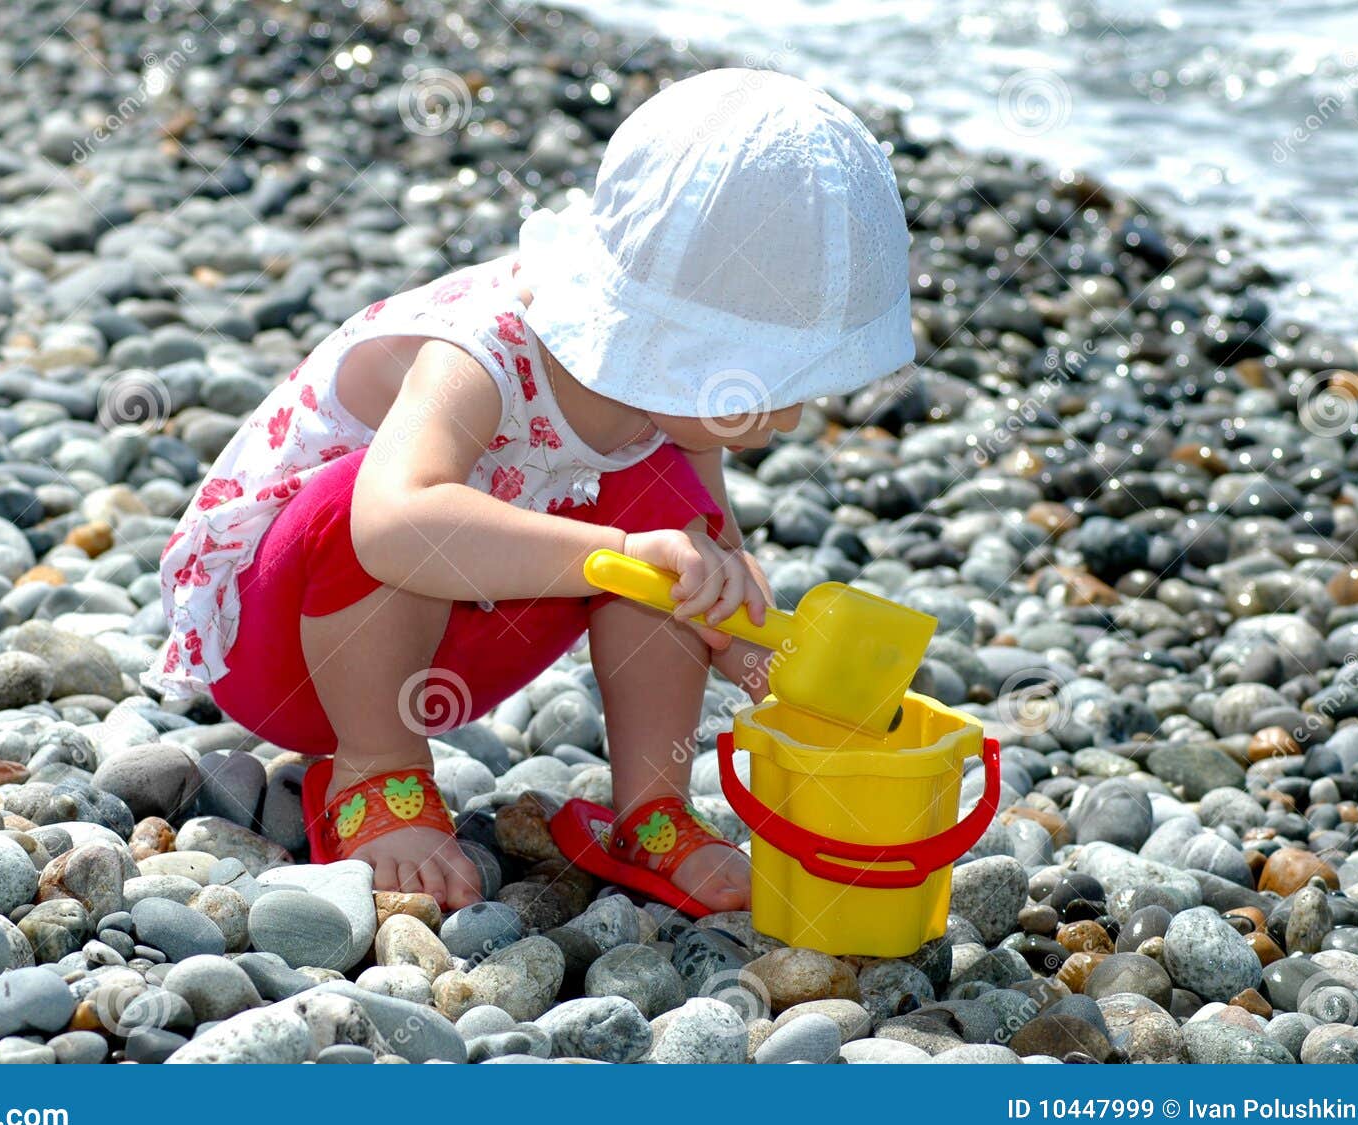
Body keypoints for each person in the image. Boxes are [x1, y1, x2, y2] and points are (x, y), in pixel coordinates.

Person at [146, 68, 915, 912]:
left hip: (455, 640)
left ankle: (651, 810)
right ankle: (377, 773)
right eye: (776, 382)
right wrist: (618, 552)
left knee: (679, 536)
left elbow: (717, 569)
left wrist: (775, 660)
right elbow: (391, 524)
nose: (796, 417)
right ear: (679, 346)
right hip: (283, 646)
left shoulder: (660, 411)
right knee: (382, 495)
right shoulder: (479, 350)